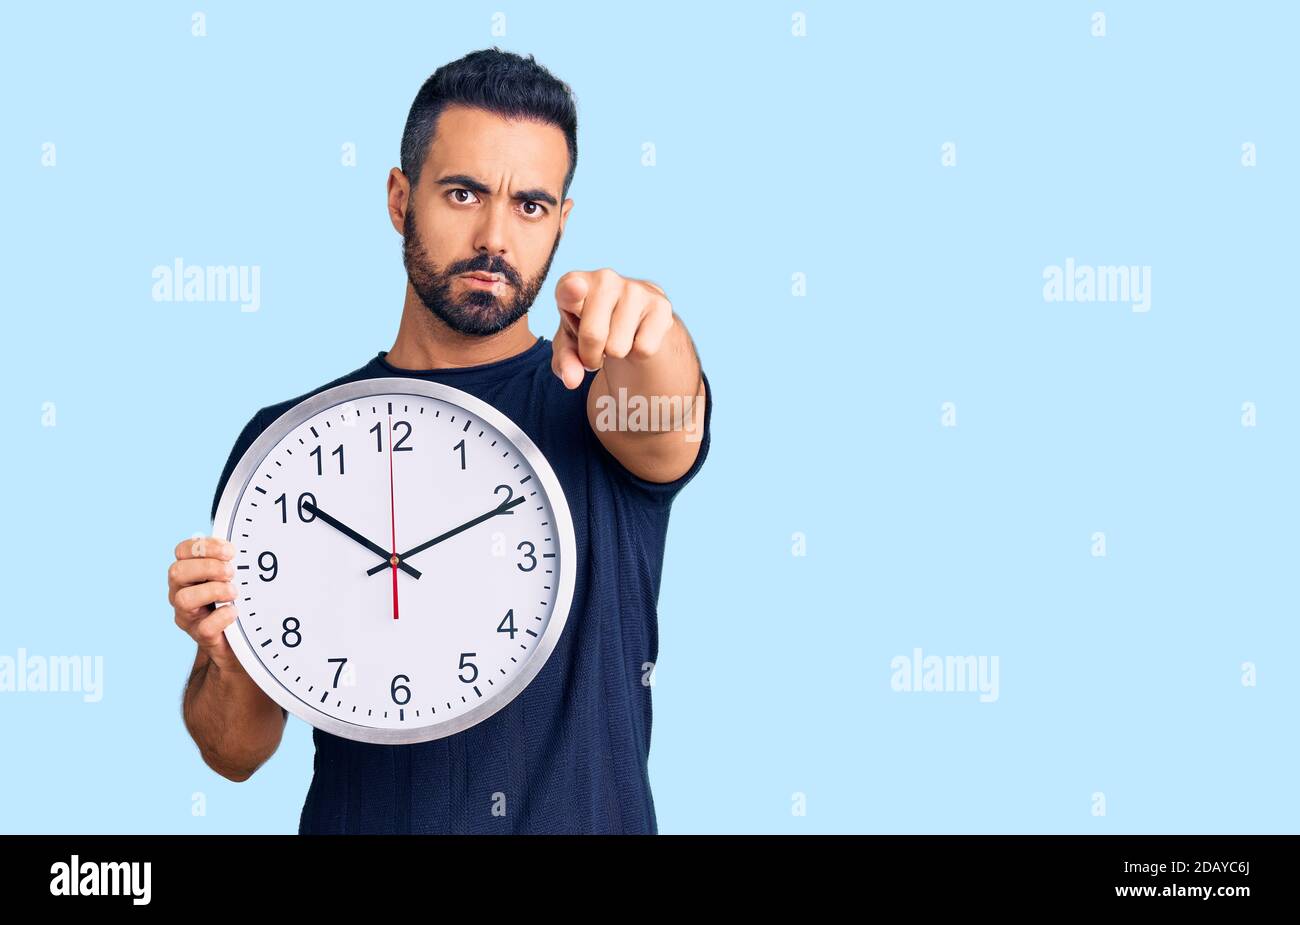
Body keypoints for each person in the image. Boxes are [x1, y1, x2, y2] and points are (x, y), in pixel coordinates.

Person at [166, 47, 711, 834]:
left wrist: (651, 322)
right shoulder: (287, 446)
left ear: (561, 219)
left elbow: (665, 413)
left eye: (530, 205)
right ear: (399, 197)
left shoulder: (600, 406)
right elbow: (236, 750)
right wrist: (222, 653)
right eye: (464, 192)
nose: (495, 236)